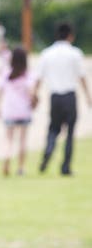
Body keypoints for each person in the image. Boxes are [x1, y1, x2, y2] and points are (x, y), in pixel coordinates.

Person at [34, 22, 92, 176]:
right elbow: (82, 77)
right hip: (69, 96)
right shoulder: (75, 53)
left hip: (55, 97)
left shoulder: (47, 53)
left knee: (53, 128)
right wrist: (88, 96)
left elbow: (38, 78)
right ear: (70, 36)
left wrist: (35, 94)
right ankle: (65, 167)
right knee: (70, 133)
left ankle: (49, 149)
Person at [0, 46, 36, 176]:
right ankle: (21, 167)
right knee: (22, 140)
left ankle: (7, 158)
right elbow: (31, 93)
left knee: (8, 139)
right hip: (24, 111)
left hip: (9, 110)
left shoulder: (6, 73)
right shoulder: (28, 75)